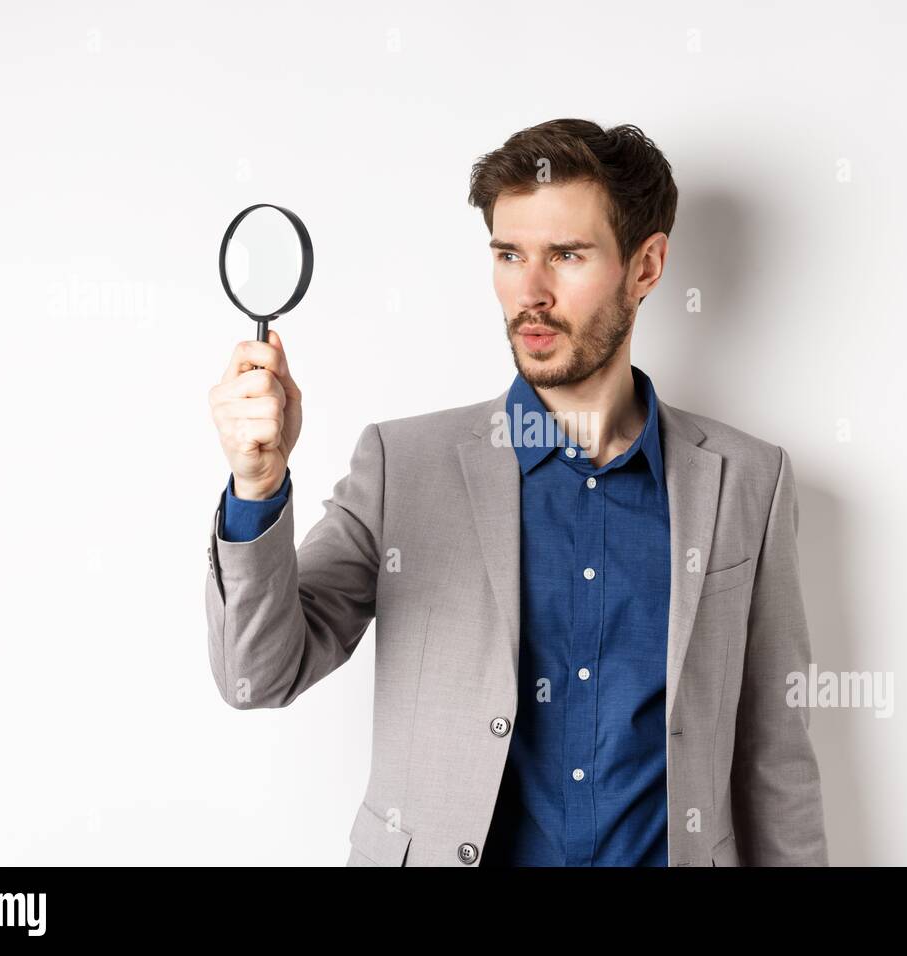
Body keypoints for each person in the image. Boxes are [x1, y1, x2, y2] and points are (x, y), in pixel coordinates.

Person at [204, 118, 829, 867]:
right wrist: (258, 482)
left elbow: (776, 760)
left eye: (566, 255)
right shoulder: (404, 466)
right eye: (508, 255)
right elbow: (258, 676)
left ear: (647, 265)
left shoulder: (749, 482)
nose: (529, 293)